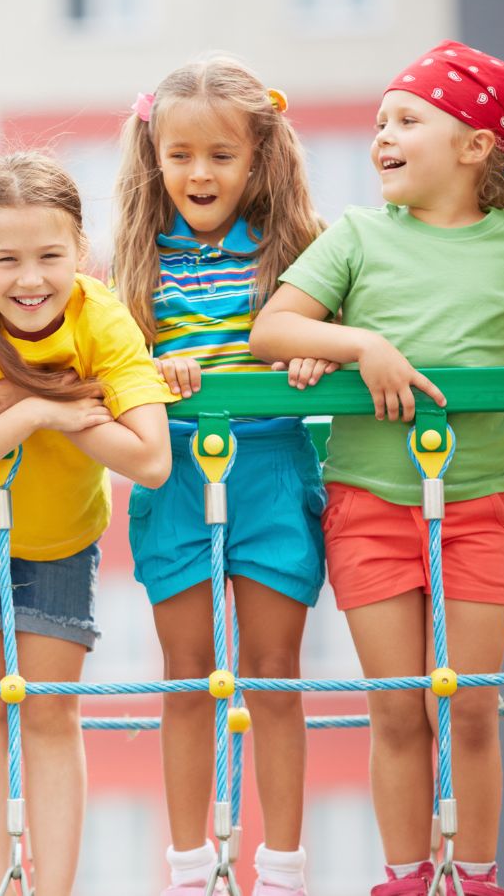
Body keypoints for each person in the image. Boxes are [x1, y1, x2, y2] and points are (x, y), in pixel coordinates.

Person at [250, 41, 504, 896]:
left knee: (469, 704)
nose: (382, 138)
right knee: (398, 706)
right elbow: (274, 330)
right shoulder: (357, 236)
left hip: (478, 505)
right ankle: (403, 877)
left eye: (406, 121)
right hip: (370, 504)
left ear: (475, 146)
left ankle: (475, 875)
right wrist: (358, 344)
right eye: (379, 123)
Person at [0, 151, 175, 895]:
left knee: (51, 711)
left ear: (80, 251)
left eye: (49, 256)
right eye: (6, 259)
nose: (29, 279)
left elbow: (151, 459)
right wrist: (34, 413)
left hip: (61, 532)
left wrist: (40, 402)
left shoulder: (101, 320)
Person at [111, 55, 330, 896]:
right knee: (187, 674)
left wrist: (316, 359)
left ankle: (284, 868)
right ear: (154, 157)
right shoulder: (136, 260)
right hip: (173, 474)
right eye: (180, 155)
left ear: (258, 157)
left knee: (274, 671)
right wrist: (150, 371)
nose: (199, 173)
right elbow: (106, 363)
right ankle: (187, 867)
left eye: (221, 155)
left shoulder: (298, 251)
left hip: (270, 470)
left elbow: (334, 332)